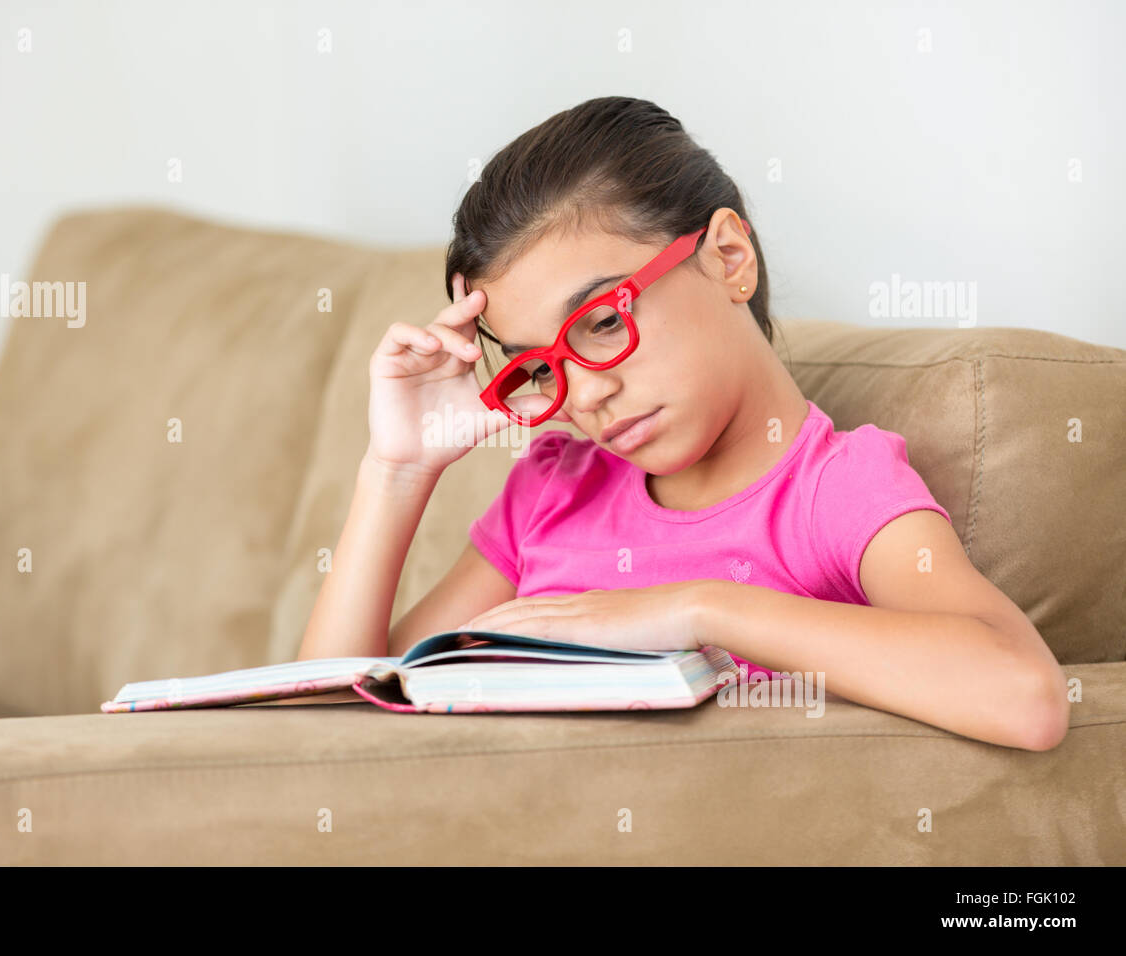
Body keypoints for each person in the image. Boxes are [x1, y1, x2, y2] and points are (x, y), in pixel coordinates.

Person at [297, 96, 1068, 751]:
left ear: (729, 257)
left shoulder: (833, 492)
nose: (584, 395)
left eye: (601, 322)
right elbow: (333, 726)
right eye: (540, 366)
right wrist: (398, 469)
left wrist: (696, 607)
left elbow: (1026, 695)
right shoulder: (552, 490)